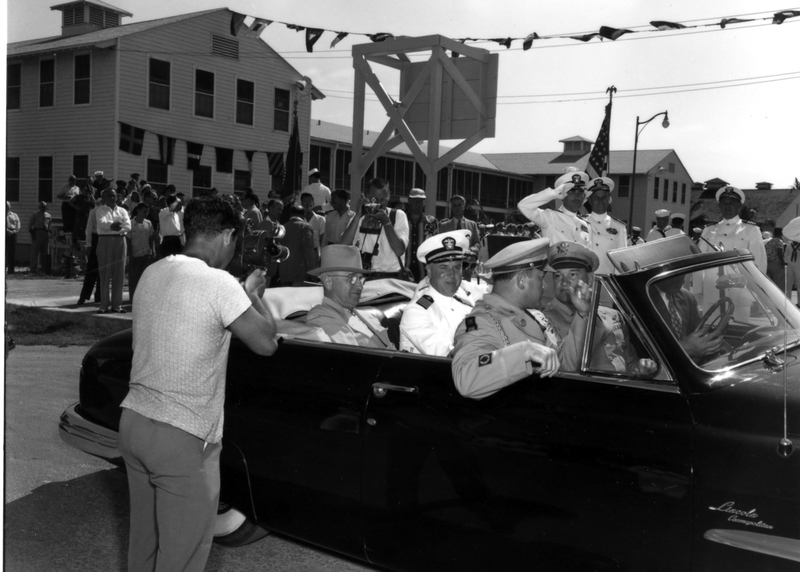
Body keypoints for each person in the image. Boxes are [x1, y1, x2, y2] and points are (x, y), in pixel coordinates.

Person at [119, 195, 279, 572]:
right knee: (183, 557)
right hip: (183, 436)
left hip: (133, 422)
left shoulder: (154, 271)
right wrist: (252, 295)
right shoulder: (220, 283)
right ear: (225, 235)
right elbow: (267, 343)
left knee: (145, 544)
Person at [451, 238, 589, 399]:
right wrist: (524, 352)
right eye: (540, 278)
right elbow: (466, 377)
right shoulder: (479, 321)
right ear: (522, 280)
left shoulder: (535, 316)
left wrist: (582, 314)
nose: (544, 285)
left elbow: (567, 366)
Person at [542, 241, 656, 375]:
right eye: (558, 275)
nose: (564, 282)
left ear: (590, 280)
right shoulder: (544, 321)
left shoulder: (613, 315)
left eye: (572, 274)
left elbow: (630, 363)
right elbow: (564, 368)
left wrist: (641, 369)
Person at [399, 230, 483, 356]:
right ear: (429, 272)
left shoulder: (464, 296)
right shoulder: (417, 312)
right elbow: (451, 357)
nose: (452, 274)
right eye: (443, 267)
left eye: (457, 267)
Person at [696, 186, 766, 319]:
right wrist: (698, 290)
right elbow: (700, 262)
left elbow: (758, 263)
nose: (727, 207)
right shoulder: (709, 230)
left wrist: (755, 293)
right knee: (710, 330)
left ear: (739, 206)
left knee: (738, 334)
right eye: (724, 203)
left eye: (732, 203)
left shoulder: (750, 229)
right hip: (712, 290)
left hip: (740, 292)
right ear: (719, 206)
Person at [305, 244, 392, 348]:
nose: (359, 285)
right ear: (328, 282)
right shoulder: (319, 318)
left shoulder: (367, 316)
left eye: (361, 279)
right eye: (352, 278)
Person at [341, 178, 409, 278]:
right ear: (367, 196)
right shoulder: (360, 217)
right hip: (365, 276)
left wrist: (387, 222)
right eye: (375, 200)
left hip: (391, 277)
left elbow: (399, 250)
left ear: (389, 196)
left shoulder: (398, 215)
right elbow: (343, 245)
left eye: (383, 200)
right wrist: (358, 215)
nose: (379, 204)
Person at [655, 274, 723, 359]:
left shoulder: (688, 297)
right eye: (674, 275)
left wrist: (709, 341)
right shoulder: (641, 300)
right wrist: (682, 349)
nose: (681, 280)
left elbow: (697, 332)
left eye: (682, 274)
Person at [517, 170, 592, 247]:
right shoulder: (550, 217)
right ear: (562, 196)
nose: (577, 196)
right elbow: (524, 206)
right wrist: (554, 193)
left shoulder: (585, 225)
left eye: (580, 192)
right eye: (571, 192)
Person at [94, 188, 131, 313]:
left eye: (114, 195)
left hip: (120, 240)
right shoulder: (100, 210)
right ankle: (104, 305)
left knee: (119, 273)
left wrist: (114, 227)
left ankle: (117, 305)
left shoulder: (123, 210)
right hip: (105, 241)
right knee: (105, 273)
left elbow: (128, 226)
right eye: (109, 195)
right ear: (104, 197)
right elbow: (102, 224)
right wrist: (114, 225)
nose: (112, 198)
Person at [583, 177, 627, 275]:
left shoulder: (619, 227)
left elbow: (621, 260)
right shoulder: (580, 223)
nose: (600, 201)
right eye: (596, 198)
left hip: (606, 282)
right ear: (589, 200)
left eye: (604, 197)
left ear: (609, 199)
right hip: (584, 281)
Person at [404, 188, 440, 282]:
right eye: (415, 200)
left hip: (425, 272)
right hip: (403, 270)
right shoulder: (402, 220)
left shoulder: (432, 222)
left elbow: (436, 247)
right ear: (409, 200)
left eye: (421, 201)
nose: (418, 203)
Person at [279, 204, 317, 286]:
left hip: (284, 271)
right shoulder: (305, 227)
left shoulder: (282, 227)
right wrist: (312, 271)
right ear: (304, 215)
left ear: (290, 214)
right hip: (300, 272)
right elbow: (308, 250)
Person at [128, 203, 156, 304]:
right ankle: (133, 299)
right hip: (135, 255)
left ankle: (143, 299)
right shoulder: (130, 223)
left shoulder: (148, 223)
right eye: (144, 211)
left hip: (146, 254)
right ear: (138, 211)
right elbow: (128, 240)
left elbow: (151, 238)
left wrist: (153, 251)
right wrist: (130, 255)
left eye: (147, 211)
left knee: (145, 279)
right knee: (134, 278)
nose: (146, 213)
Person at [300, 192, 326, 261]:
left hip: (314, 252)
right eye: (305, 202)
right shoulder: (298, 219)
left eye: (309, 202)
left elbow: (322, 240)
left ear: (313, 203)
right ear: (301, 204)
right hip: (300, 252)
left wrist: (323, 256)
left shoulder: (320, 219)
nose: (307, 205)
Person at [28, 201, 52, 274]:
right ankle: (33, 269)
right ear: (39, 207)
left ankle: (43, 269)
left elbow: (49, 225)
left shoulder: (49, 216)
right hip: (37, 232)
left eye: (44, 207)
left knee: (44, 252)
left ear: (46, 207)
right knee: (35, 252)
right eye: (41, 207)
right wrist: (33, 235)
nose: (43, 208)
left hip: (45, 233)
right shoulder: (35, 215)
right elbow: (30, 226)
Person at [6, 201, 20, 274]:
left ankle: (11, 270)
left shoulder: (14, 215)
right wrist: (7, 231)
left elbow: (18, 224)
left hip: (13, 234)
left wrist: (14, 231)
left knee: (12, 252)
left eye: (7, 206)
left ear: (10, 206)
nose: (6, 207)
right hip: (5, 233)